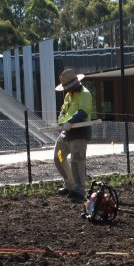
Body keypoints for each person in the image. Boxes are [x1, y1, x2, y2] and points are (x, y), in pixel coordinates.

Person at [54, 68, 95, 200]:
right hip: (67, 131)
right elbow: (63, 111)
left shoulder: (85, 94)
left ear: (76, 83)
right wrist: (61, 122)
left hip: (79, 132)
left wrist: (70, 122)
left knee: (77, 161)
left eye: (70, 87)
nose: (69, 90)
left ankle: (79, 189)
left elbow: (82, 112)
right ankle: (69, 184)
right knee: (58, 156)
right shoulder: (68, 96)